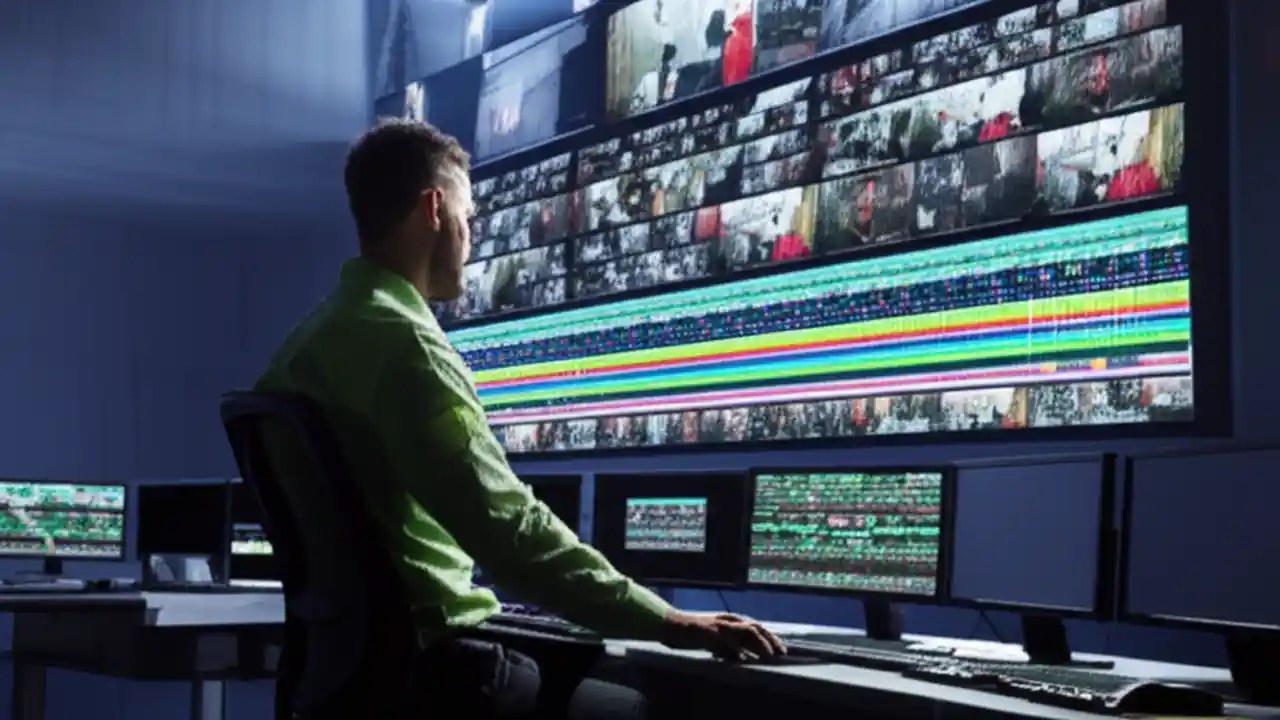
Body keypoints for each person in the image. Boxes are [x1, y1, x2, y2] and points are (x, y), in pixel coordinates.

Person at [254, 118, 786, 718]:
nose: (471, 237)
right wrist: (667, 619)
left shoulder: (305, 346)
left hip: (346, 676)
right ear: (435, 209)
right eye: (470, 217)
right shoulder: (406, 348)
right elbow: (511, 537)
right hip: (437, 673)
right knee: (658, 701)